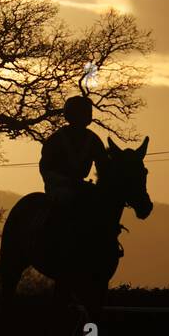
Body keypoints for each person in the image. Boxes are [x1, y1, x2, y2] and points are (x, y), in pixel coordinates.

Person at [39, 95, 107, 259]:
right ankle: (47, 242)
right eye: (84, 112)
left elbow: (104, 167)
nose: (87, 115)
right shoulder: (56, 139)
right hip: (59, 186)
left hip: (81, 185)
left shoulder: (93, 140)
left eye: (88, 112)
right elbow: (45, 168)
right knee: (64, 202)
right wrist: (62, 181)